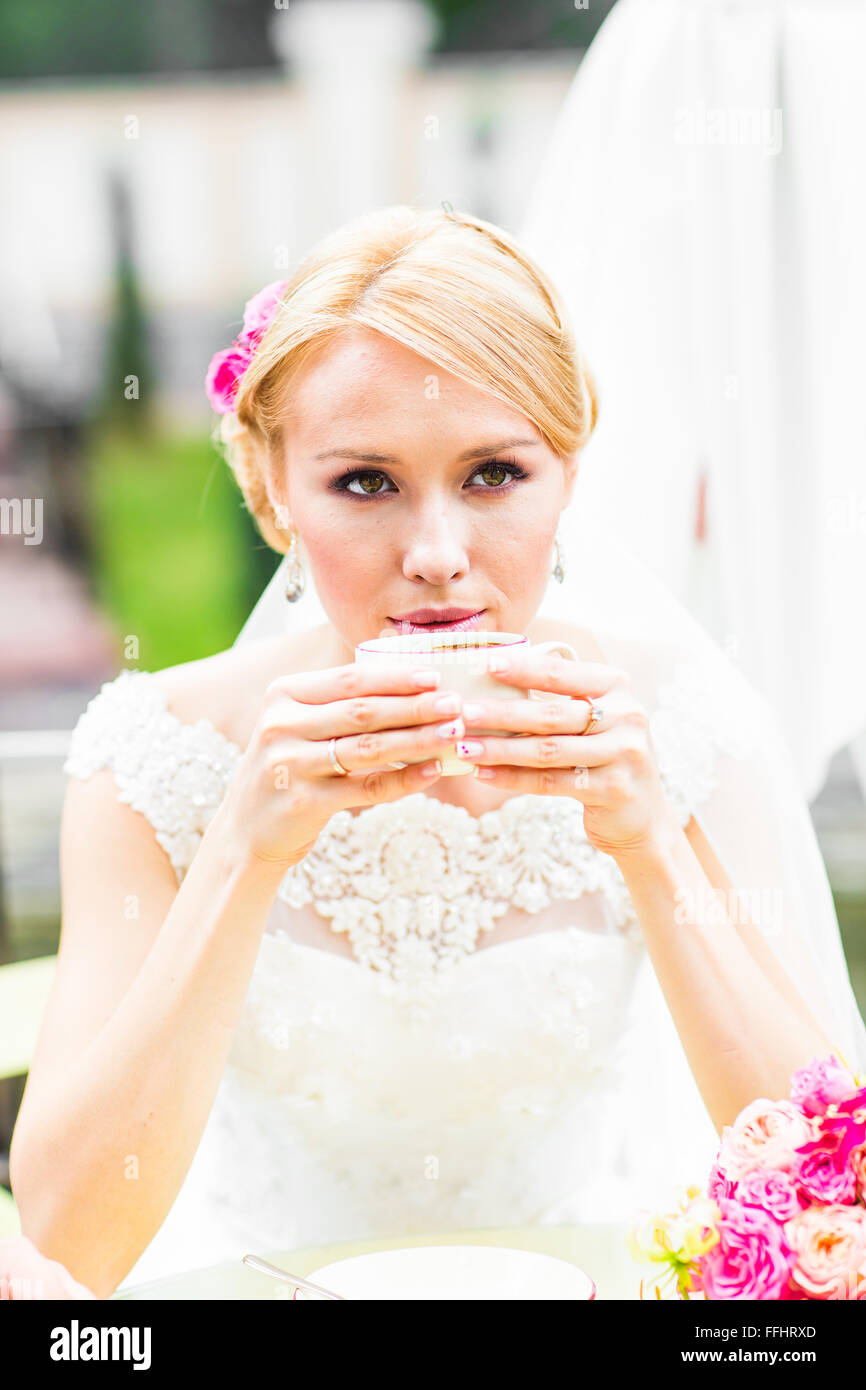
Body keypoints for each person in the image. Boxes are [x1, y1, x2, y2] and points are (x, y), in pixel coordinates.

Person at [9, 206, 866, 1299]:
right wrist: (240, 853)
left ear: (568, 472)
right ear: (273, 488)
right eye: (364, 483)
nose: (436, 556)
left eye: (494, 474)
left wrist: (651, 846)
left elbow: (824, 1199)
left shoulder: (680, 727)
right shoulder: (149, 761)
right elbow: (67, 1244)